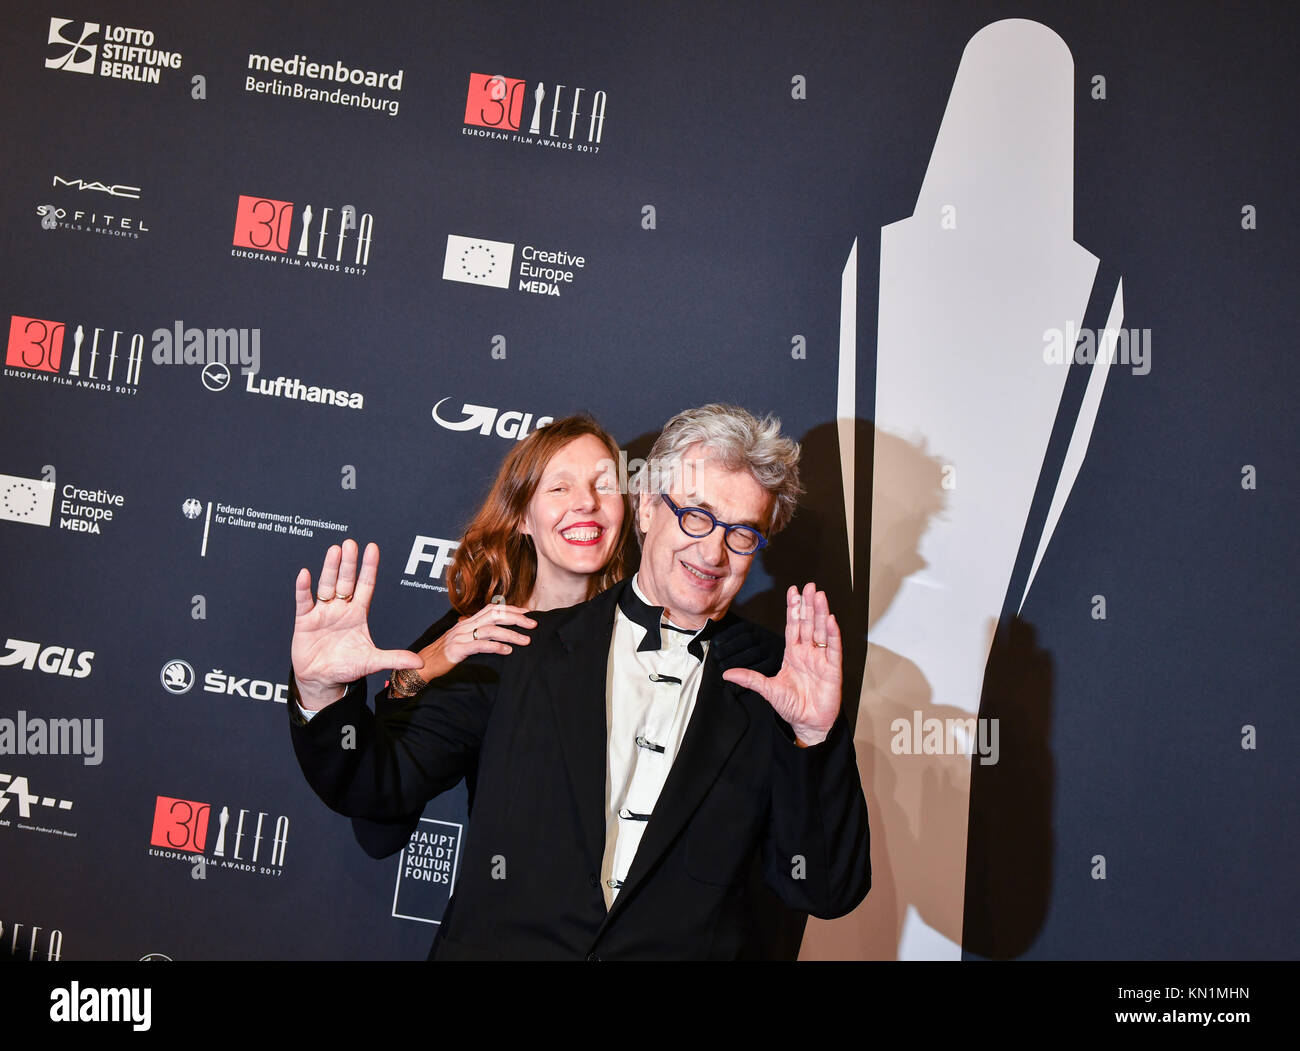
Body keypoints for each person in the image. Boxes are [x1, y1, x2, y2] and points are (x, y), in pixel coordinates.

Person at [289, 404, 871, 960]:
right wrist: (321, 694)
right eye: (695, 515)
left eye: (742, 533)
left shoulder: (780, 681)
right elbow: (376, 789)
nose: (713, 550)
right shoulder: (520, 645)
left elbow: (824, 891)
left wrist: (815, 740)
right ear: (646, 509)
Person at [292, 415, 633, 857]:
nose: (586, 502)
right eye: (559, 487)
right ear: (522, 517)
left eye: (605, 485)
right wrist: (326, 689)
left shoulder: (661, 638)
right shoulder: (485, 641)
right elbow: (380, 816)